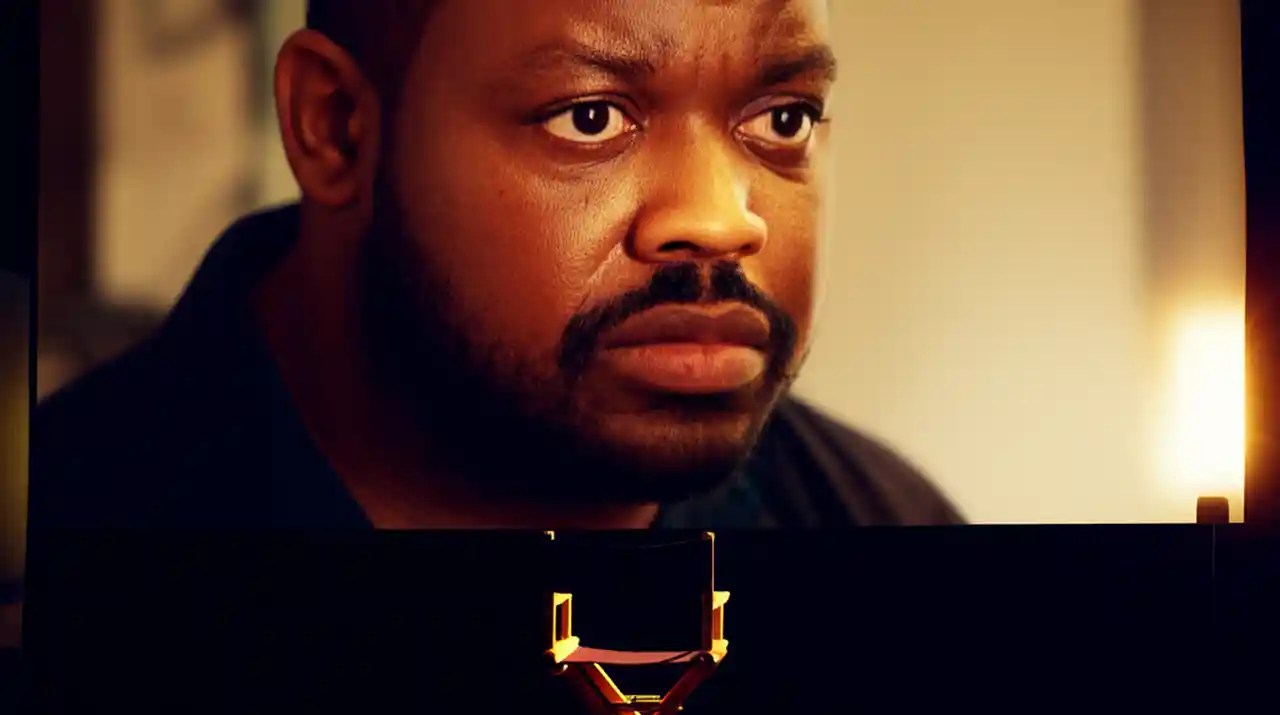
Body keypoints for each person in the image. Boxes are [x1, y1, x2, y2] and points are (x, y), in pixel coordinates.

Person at [32, 0, 963, 529]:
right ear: (336, 128)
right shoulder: (71, 561)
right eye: (589, 116)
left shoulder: (886, 526)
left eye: (782, 119)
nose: (721, 222)